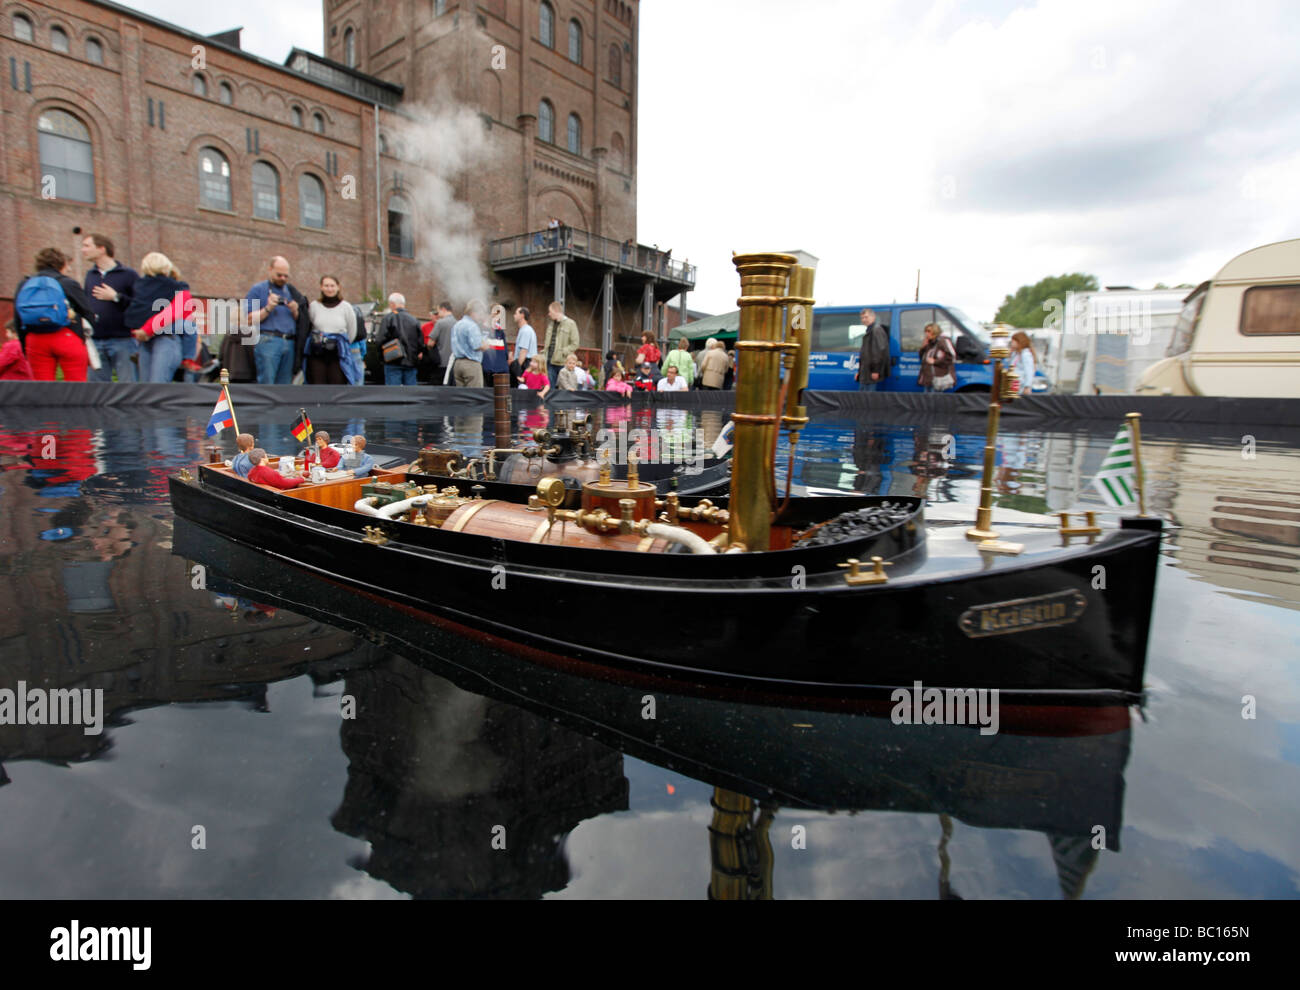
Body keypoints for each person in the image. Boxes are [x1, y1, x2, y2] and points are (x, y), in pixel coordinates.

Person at [14, 247, 95, 381]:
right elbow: (88, 313)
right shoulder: (68, 283)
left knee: (42, 388)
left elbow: (18, 318)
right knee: (76, 387)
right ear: (62, 264)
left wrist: (25, 346)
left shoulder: (24, 284)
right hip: (68, 336)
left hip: (35, 339)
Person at [124, 252, 193, 383]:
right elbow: (174, 313)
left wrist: (143, 330)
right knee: (154, 385)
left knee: (154, 385)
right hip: (158, 338)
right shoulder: (179, 288)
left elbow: (172, 313)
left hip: (157, 338)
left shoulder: (140, 288)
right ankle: (187, 361)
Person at [81, 233, 139, 383]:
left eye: (87, 246)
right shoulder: (90, 275)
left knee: (128, 387)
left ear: (101, 249)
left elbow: (140, 306)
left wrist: (116, 297)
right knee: (97, 392)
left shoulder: (129, 275)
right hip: (95, 341)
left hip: (123, 341)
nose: (83, 250)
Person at [245, 256, 309, 385]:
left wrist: (295, 310)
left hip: (290, 342)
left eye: (286, 276)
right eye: (279, 275)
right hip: (268, 340)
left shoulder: (291, 291)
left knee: (285, 386)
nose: (283, 279)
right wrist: (268, 308)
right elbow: (250, 319)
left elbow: (299, 321)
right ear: (270, 270)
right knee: (267, 383)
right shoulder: (257, 290)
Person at [305, 275, 360, 385]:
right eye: (326, 286)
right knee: (317, 384)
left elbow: (352, 332)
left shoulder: (346, 307)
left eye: (332, 286)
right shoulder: (314, 306)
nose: (329, 289)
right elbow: (309, 327)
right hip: (318, 353)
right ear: (321, 287)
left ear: (338, 287)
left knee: (337, 384)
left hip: (338, 354)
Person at [378, 292, 424, 386]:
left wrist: (381, 357)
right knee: (410, 392)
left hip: (392, 360)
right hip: (411, 361)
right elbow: (421, 342)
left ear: (392, 304)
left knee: (393, 393)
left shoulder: (388, 318)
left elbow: (380, 340)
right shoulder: (414, 320)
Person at [451, 298, 492, 387]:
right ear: (473, 312)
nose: (481, 317)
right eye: (480, 313)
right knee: (474, 395)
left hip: (457, 364)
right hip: (471, 365)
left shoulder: (457, 324)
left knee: (461, 396)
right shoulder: (472, 326)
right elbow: (477, 345)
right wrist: (486, 345)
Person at [540, 300, 580, 385]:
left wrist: (563, 352)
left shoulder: (571, 324)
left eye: (550, 311)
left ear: (556, 311)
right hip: (549, 362)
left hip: (563, 363)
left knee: (564, 388)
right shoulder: (550, 324)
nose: (549, 314)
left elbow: (575, 344)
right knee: (550, 388)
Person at [854, 308, 890, 391]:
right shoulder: (869, 331)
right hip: (865, 373)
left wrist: (875, 370)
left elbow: (879, 352)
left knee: (868, 399)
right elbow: (865, 355)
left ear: (873, 317)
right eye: (862, 318)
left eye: (866, 317)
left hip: (871, 374)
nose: (864, 320)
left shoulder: (876, 330)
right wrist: (860, 373)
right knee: (862, 398)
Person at [918, 322, 957, 393]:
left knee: (935, 400)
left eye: (929, 331)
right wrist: (922, 348)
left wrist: (935, 361)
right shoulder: (929, 343)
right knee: (926, 400)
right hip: (928, 378)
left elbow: (951, 357)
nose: (927, 333)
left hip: (937, 377)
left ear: (935, 331)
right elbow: (922, 358)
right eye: (926, 331)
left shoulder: (943, 341)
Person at [483, 303, 510, 381]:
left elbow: (505, 352)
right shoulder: (481, 328)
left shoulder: (500, 331)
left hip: (501, 370)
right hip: (486, 369)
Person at [512, 306, 538, 386]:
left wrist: (517, 369)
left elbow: (523, 351)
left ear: (522, 315)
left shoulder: (525, 331)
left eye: (516, 313)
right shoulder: (525, 330)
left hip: (525, 364)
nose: (514, 315)